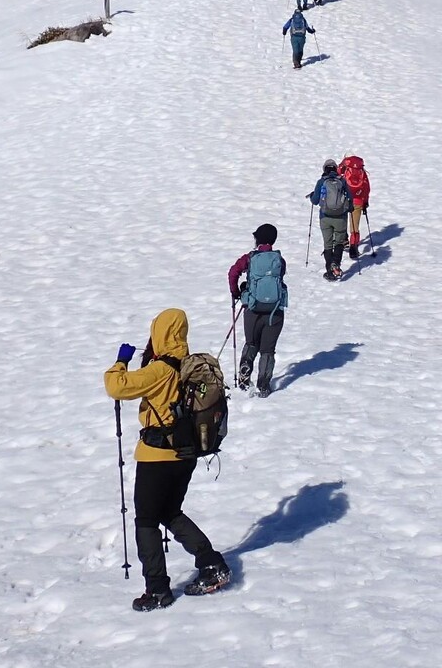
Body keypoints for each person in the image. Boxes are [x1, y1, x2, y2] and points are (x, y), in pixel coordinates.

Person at [105, 309, 231, 611]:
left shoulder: (161, 370)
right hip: (185, 455)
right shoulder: (189, 366)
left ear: (159, 334)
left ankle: (158, 590)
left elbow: (116, 386)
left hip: (156, 457)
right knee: (171, 512)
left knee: (147, 520)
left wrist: (121, 361)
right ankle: (211, 562)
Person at [227, 223, 287, 397]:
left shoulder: (250, 258)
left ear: (258, 240)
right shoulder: (279, 260)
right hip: (275, 312)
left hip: (252, 309)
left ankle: (245, 376)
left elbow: (233, 272)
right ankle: (264, 385)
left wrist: (237, 291)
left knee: (251, 343)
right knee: (268, 350)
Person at [308, 158, 353, 280]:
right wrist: (350, 209)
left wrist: (312, 196)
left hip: (325, 218)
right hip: (340, 218)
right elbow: (350, 198)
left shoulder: (321, 182)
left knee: (328, 244)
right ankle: (336, 265)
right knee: (339, 242)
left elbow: (315, 201)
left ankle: (329, 271)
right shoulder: (342, 181)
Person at [338, 154, 370, 259]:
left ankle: (343, 240)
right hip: (358, 201)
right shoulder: (362, 173)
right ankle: (353, 247)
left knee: (342, 221)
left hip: (344, 200)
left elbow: (337, 174)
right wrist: (365, 202)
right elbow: (366, 188)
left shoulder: (346, 170)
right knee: (354, 225)